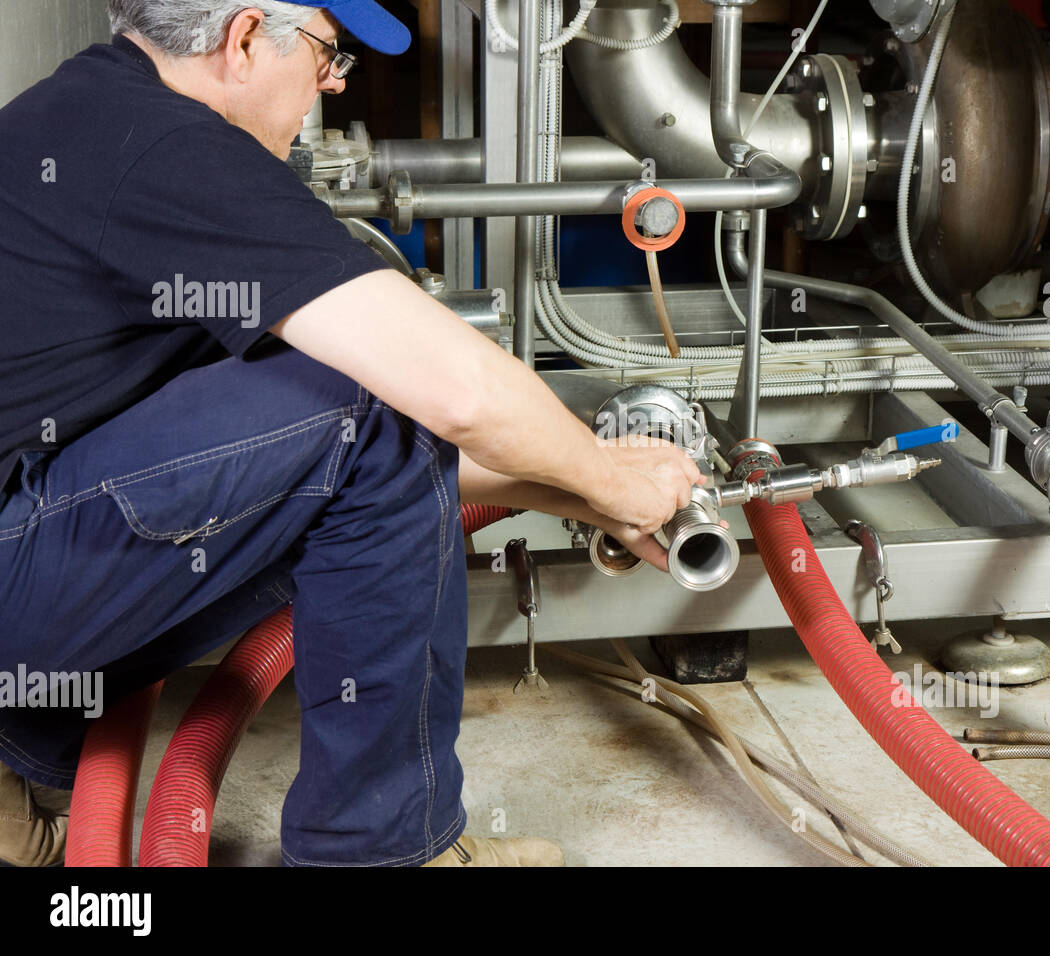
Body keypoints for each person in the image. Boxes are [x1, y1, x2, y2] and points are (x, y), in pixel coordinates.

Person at [0, 0, 702, 867]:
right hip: (13, 569)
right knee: (371, 392)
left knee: (365, 420)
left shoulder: (84, 110)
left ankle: (8, 767)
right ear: (247, 37)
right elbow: (445, 396)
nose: (334, 83)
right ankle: (381, 854)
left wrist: (576, 494)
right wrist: (615, 480)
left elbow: (288, 467)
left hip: (24, 540)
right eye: (331, 53)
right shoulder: (171, 150)